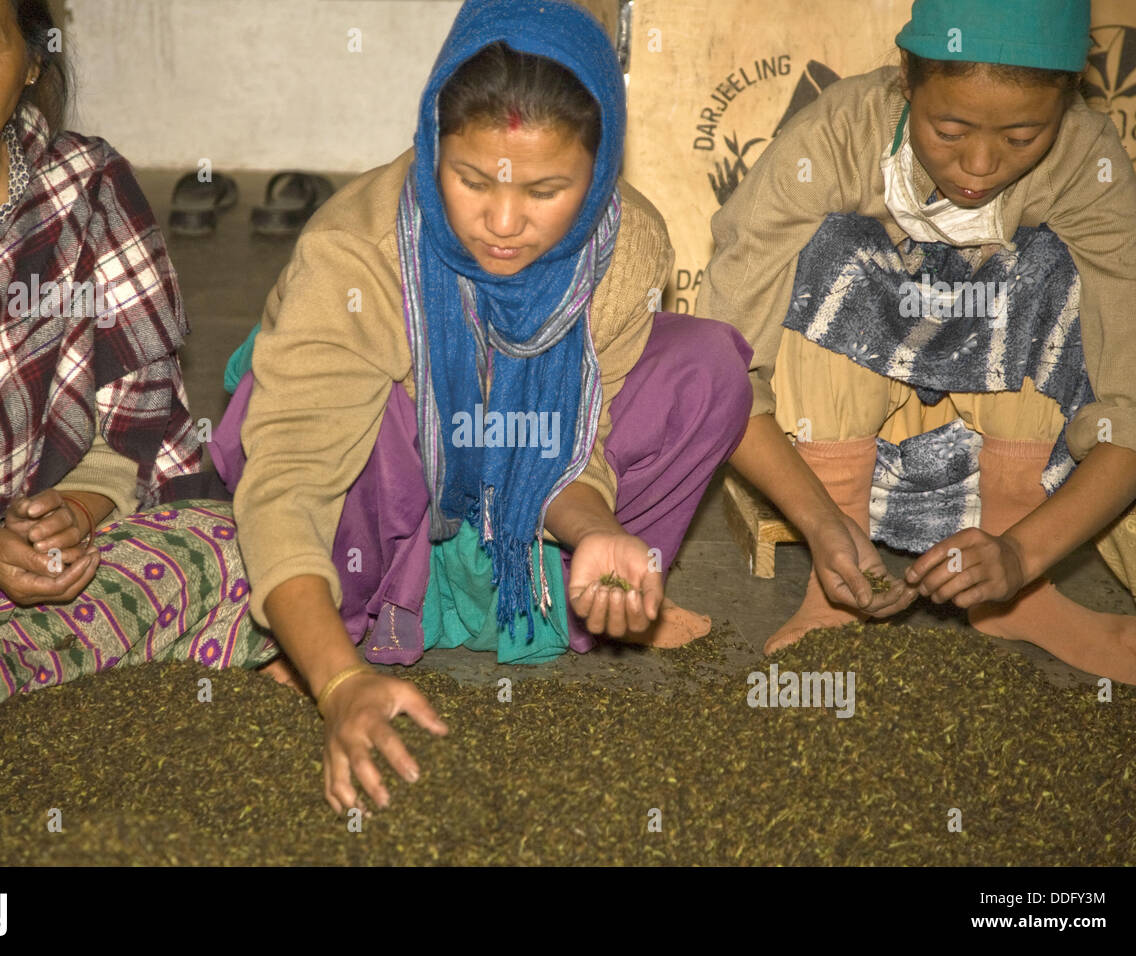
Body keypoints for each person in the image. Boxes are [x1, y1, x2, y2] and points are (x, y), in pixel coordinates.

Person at [220, 0, 890, 816]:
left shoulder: (627, 244)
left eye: (546, 189)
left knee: (708, 365)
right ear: (436, 146)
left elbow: (578, 439)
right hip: (399, 491)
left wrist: (597, 527)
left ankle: (558, 589)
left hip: (525, 488)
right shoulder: (357, 254)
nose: (503, 224)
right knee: (328, 413)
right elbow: (290, 477)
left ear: (600, 169)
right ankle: (345, 622)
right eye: (471, 180)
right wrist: (340, 683)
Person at [0, 0, 278, 812]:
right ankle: (10, 688)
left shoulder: (84, 186)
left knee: (242, 553)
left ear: (32, 62)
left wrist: (73, 514)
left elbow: (138, 407)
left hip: (28, 539)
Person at [699, 0, 1136, 685]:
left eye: (1023, 136)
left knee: (1047, 264)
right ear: (906, 82)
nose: (980, 163)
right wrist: (820, 522)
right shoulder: (836, 138)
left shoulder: (1085, 160)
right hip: (846, 457)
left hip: (994, 471)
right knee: (832, 249)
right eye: (949, 128)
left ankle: (1019, 603)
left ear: (1067, 104)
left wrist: (1020, 559)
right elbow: (722, 367)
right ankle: (840, 586)